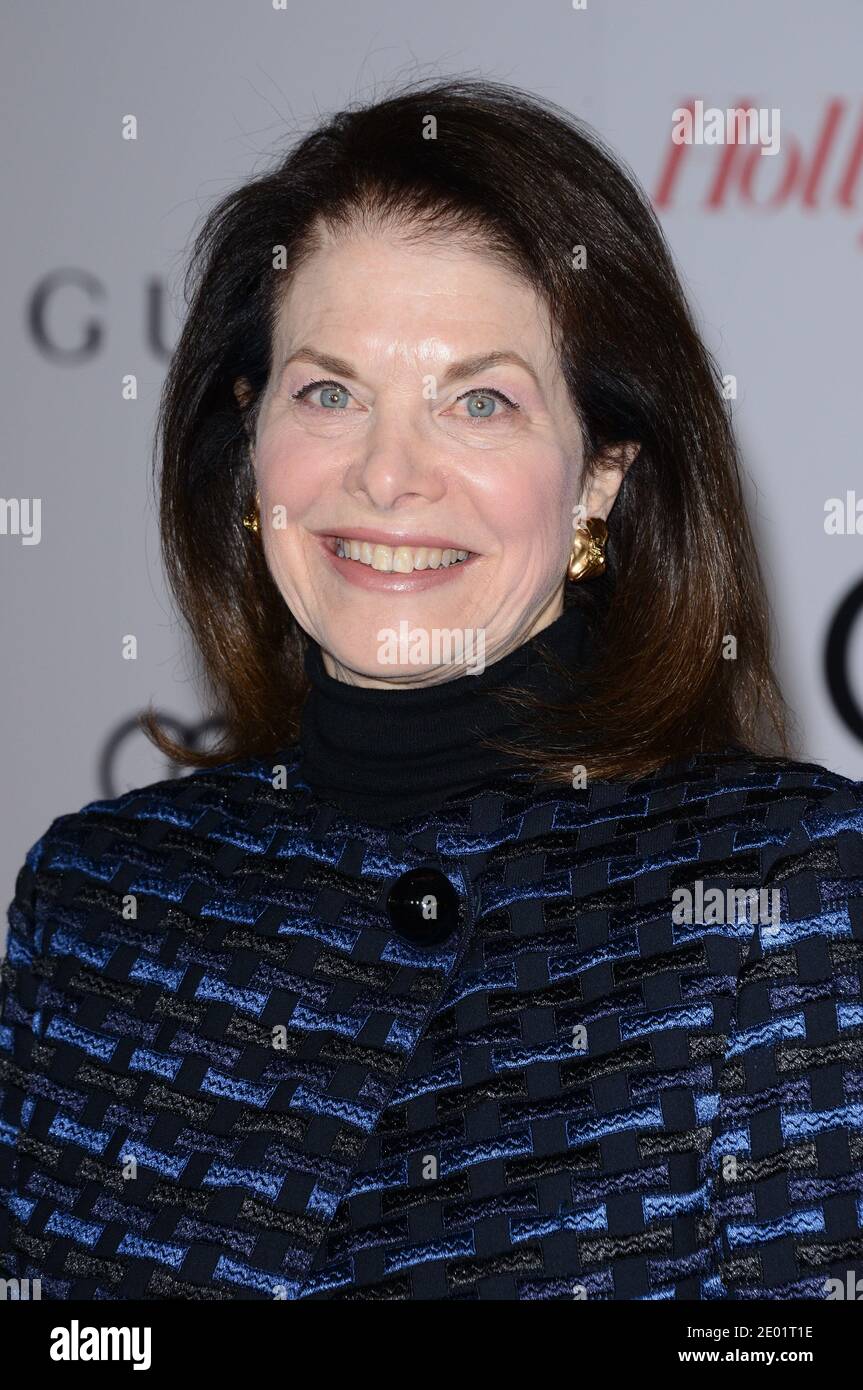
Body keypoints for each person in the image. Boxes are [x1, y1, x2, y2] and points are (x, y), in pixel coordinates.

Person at [2, 77, 862, 1302]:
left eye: (478, 400)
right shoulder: (96, 904)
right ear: (250, 444)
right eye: (329, 391)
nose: (388, 474)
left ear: (599, 477)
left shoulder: (781, 891)